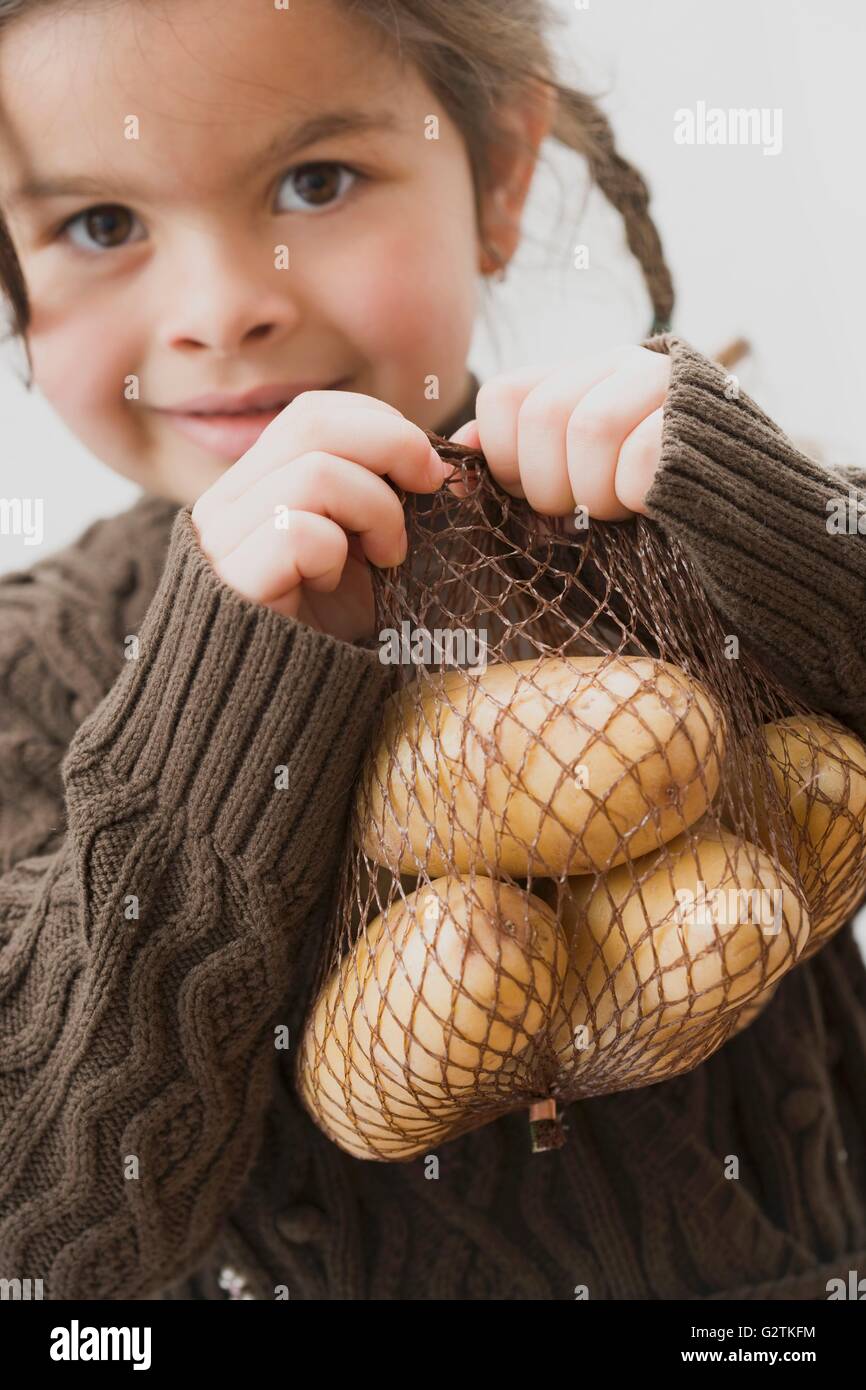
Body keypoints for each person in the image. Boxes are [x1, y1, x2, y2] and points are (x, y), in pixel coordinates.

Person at [1, 0, 865, 1301]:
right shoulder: (32, 674)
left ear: (502, 176)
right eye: (99, 224)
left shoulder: (681, 527)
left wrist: (766, 512)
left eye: (316, 181)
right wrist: (211, 712)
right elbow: (50, 1235)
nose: (223, 309)